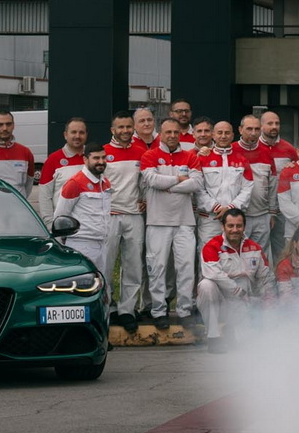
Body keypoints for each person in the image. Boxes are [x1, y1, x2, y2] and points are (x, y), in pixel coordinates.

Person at [140, 118, 202, 344]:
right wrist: (178, 180)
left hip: (185, 221)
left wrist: (168, 185)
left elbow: (196, 184)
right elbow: (151, 180)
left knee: (186, 268)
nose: (173, 135)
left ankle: (185, 311)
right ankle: (158, 311)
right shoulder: (149, 155)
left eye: (176, 132)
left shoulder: (190, 156)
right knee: (157, 268)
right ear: (161, 133)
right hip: (157, 221)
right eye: (168, 132)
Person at [99, 113, 150, 346]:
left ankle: (127, 310)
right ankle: (107, 308)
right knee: (107, 265)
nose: (126, 130)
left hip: (134, 216)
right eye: (121, 126)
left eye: (129, 126)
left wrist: (146, 200)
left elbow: (147, 182)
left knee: (133, 265)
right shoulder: (103, 152)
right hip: (110, 216)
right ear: (113, 128)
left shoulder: (141, 151)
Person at [197, 208, 271, 345]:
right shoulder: (211, 247)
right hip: (220, 304)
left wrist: (268, 304)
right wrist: (237, 290)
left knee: (246, 347)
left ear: (244, 227)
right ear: (222, 227)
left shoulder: (255, 248)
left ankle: (233, 330)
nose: (235, 230)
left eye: (239, 226)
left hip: (244, 304)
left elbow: (265, 279)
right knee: (206, 285)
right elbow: (213, 274)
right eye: (230, 226)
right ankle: (213, 337)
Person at [51, 145, 116, 274]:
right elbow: (60, 218)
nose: (101, 162)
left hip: (102, 243)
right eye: (96, 158)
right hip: (81, 243)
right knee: (83, 284)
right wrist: (62, 248)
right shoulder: (74, 183)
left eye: (103, 157)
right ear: (85, 160)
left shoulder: (105, 182)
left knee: (101, 284)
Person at [228, 114, 280, 260]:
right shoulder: (230, 150)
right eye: (249, 128)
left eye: (256, 129)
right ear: (240, 129)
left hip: (262, 215)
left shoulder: (267, 153)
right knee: (235, 255)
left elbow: (272, 184)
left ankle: (259, 284)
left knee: (259, 256)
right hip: (237, 215)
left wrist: (272, 212)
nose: (253, 132)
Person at [194, 121, 250, 247]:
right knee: (206, 253)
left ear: (232, 135)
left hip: (235, 219)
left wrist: (230, 208)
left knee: (234, 253)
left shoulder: (242, 159)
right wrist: (216, 208)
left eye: (227, 133)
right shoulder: (202, 158)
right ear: (213, 135)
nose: (223, 136)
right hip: (209, 218)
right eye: (219, 133)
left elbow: (247, 188)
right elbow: (198, 188)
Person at [34, 119, 89, 217]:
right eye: (73, 132)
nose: (77, 136)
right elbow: (44, 196)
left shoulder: (94, 158)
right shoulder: (53, 160)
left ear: (86, 135)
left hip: (90, 224)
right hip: (63, 224)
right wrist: (50, 224)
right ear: (65, 135)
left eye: (81, 132)